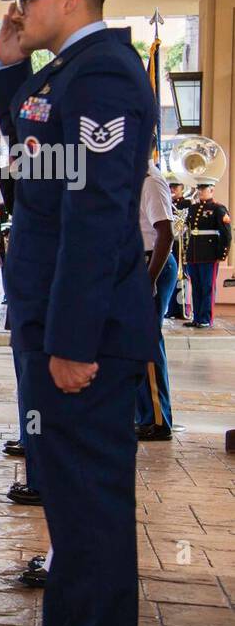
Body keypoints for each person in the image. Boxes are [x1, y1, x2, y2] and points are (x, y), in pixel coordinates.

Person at [0, 0, 155, 626]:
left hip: (80, 331)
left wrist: (76, 339)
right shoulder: (67, 75)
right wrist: (10, 69)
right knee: (72, 508)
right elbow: (36, 148)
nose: (19, 10)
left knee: (89, 512)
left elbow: (96, 215)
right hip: (51, 317)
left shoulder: (109, 74)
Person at [135, 162, 178, 440]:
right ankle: (146, 415)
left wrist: (149, 279)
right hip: (137, 264)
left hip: (152, 264)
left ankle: (158, 420)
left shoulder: (150, 181)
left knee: (146, 342)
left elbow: (166, 233)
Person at [182, 178, 230, 328]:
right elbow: (187, 231)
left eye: (204, 188)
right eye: (200, 188)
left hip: (209, 254)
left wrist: (221, 254)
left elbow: (226, 234)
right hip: (194, 254)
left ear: (212, 190)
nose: (201, 191)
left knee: (207, 287)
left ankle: (205, 318)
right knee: (196, 286)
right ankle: (197, 318)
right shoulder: (193, 208)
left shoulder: (218, 209)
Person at [164, 174, 190, 319]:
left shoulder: (187, 204)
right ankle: (172, 309)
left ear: (182, 188)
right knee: (170, 278)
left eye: (175, 187)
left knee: (181, 278)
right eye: (171, 187)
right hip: (168, 243)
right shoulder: (166, 202)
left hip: (181, 245)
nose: (172, 189)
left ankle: (182, 309)